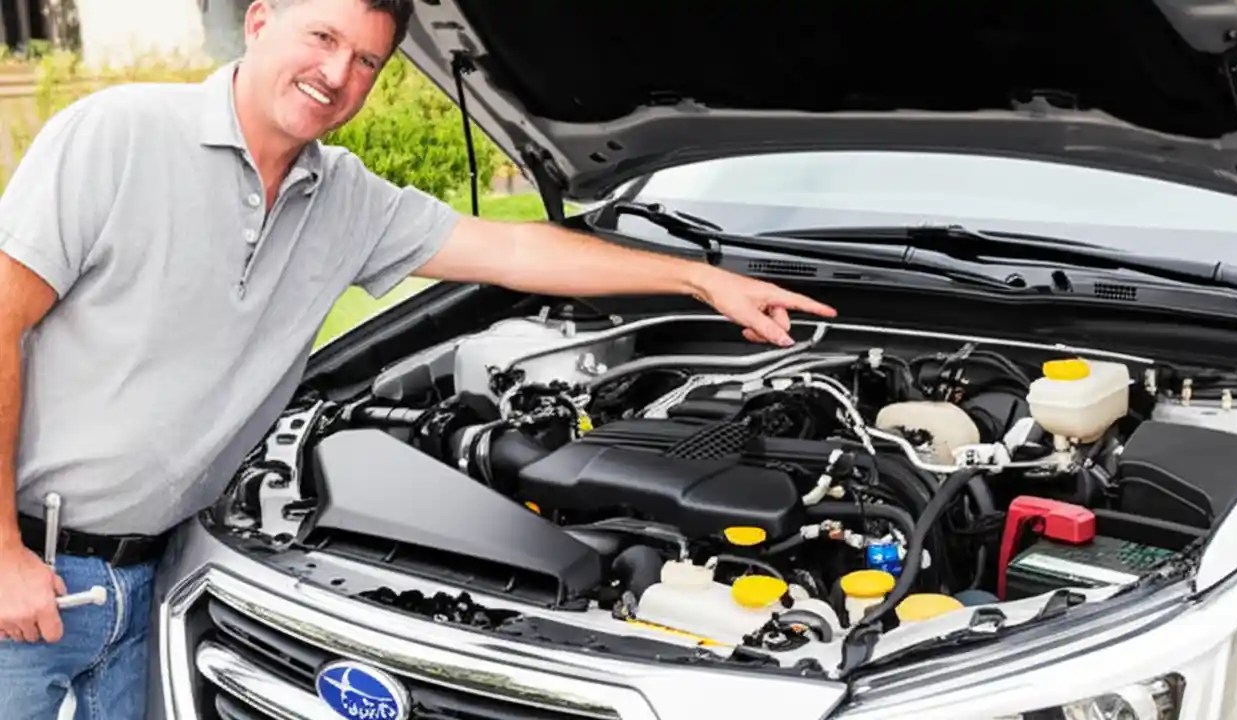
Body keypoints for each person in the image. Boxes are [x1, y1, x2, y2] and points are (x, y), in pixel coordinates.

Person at [0, 0, 836, 716]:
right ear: (258, 22)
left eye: (366, 60)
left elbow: (515, 252)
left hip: (166, 569)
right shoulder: (118, 136)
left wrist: (699, 278)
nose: (338, 73)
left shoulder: (344, 199)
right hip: (32, 572)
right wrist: (3, 555)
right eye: (322, 37)